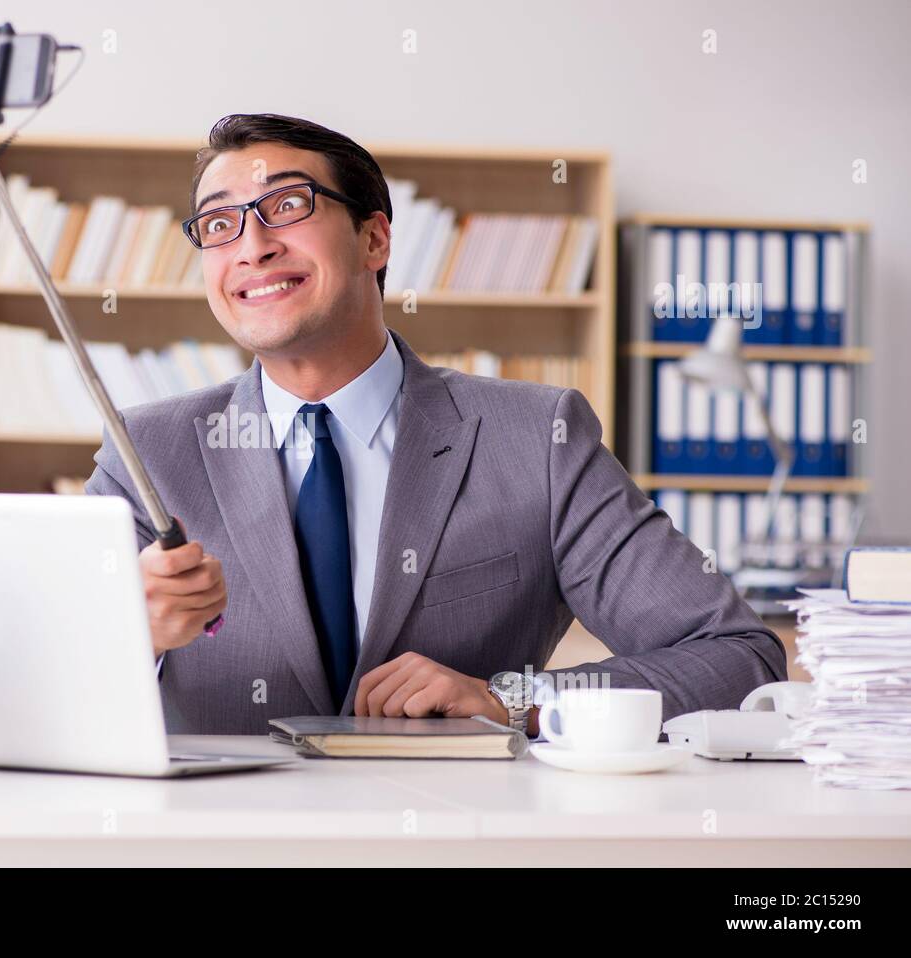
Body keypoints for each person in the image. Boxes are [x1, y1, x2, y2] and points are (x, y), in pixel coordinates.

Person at [85, 113, 786, 735]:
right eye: (219, 224)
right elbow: (39, 685)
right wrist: (131, 634)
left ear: (374, 239)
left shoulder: (537, 439)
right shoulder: (147, 453)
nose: (252, 246)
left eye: (288, 205)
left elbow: (738, 658)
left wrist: (512, 699)